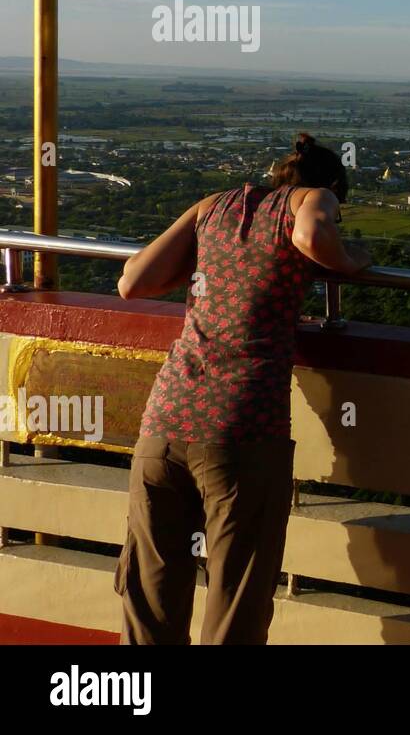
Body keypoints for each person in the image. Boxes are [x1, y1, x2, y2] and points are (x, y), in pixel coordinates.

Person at [113, 133, 371, 644]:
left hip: (164, 423)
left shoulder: (215, 204)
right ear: (331, 187)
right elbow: (314, 239)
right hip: (243, 429)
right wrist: (354, 256)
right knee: (236, 601)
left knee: (148, 598)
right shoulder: (314, 198)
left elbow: (133, 280)